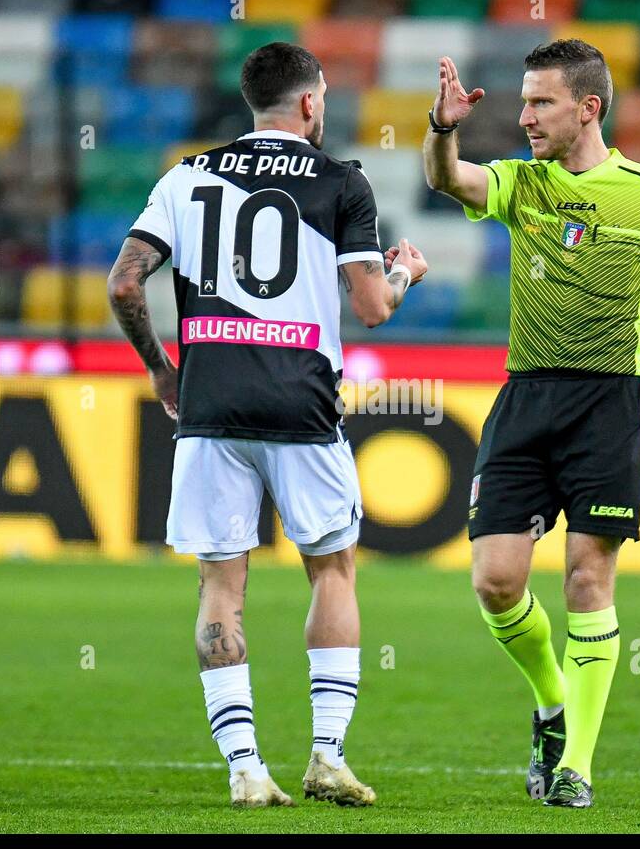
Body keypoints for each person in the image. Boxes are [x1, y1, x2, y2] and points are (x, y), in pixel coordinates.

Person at [107, 42, 428, 808]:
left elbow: (124, 282)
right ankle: (326, 754)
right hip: (301, 405)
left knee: (222, 585)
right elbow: (373, 307)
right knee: (334, 568)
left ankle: (246, 768)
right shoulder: (340, 181)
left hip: (211, 404)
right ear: (311, 103)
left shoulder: (186, 177)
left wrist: (161, 365)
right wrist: (406, 271)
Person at [422, 40, 640, 807]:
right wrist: (441, 126)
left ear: (588, 108)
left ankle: (576, 767)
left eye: (540, 102)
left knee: (589, 578)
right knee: (496, 581)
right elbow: (445, 177)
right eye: (523, 101)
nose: (524, 116)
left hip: (610, 405)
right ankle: (552, 701)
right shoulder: (521, 184)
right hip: (526, 399)